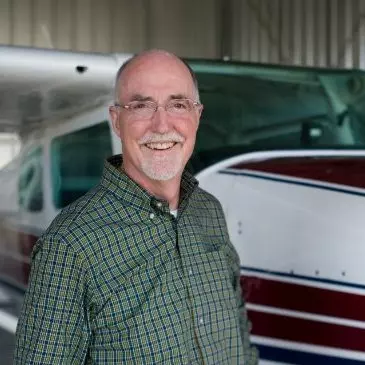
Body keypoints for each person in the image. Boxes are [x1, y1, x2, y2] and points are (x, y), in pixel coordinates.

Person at [14, 50, 258, 364]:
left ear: (197, 115)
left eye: (178, 104)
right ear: (116, 120)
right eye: (141, 106)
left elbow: (237, 325)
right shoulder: (69, 245)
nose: (161, 124)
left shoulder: (208, 211)